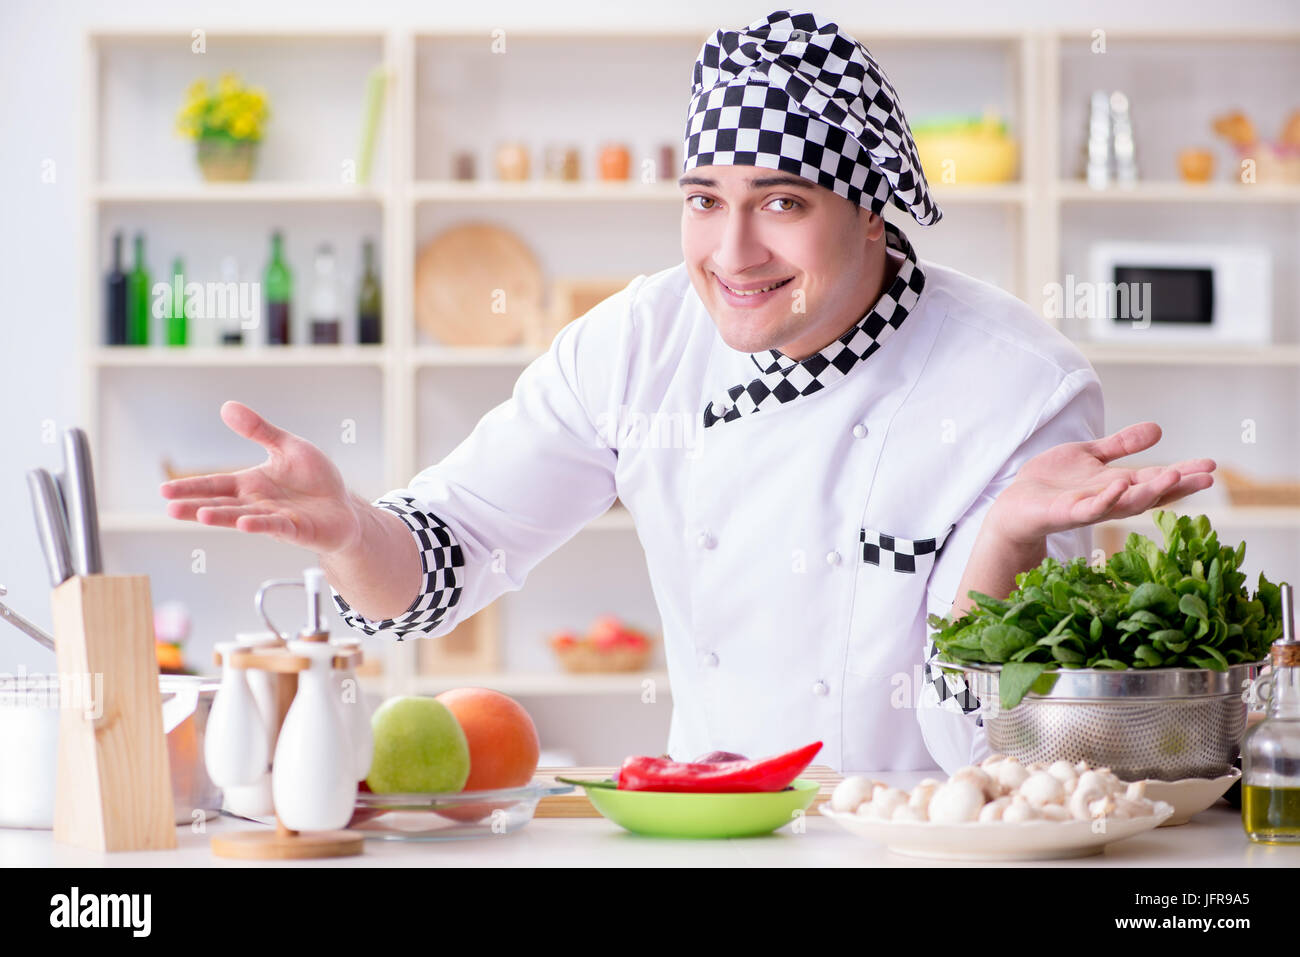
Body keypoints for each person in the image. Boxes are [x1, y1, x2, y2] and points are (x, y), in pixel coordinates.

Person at [160, 10, 1214, 773]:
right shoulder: (637, 341)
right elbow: (443, 563)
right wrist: (350, 528)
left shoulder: (1017, 389)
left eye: (782, 203)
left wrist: (1004, 549)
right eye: (704, 201)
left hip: (934, 846)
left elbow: (1007, 745)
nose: (732, 251)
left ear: (869, 214)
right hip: (712, 832)